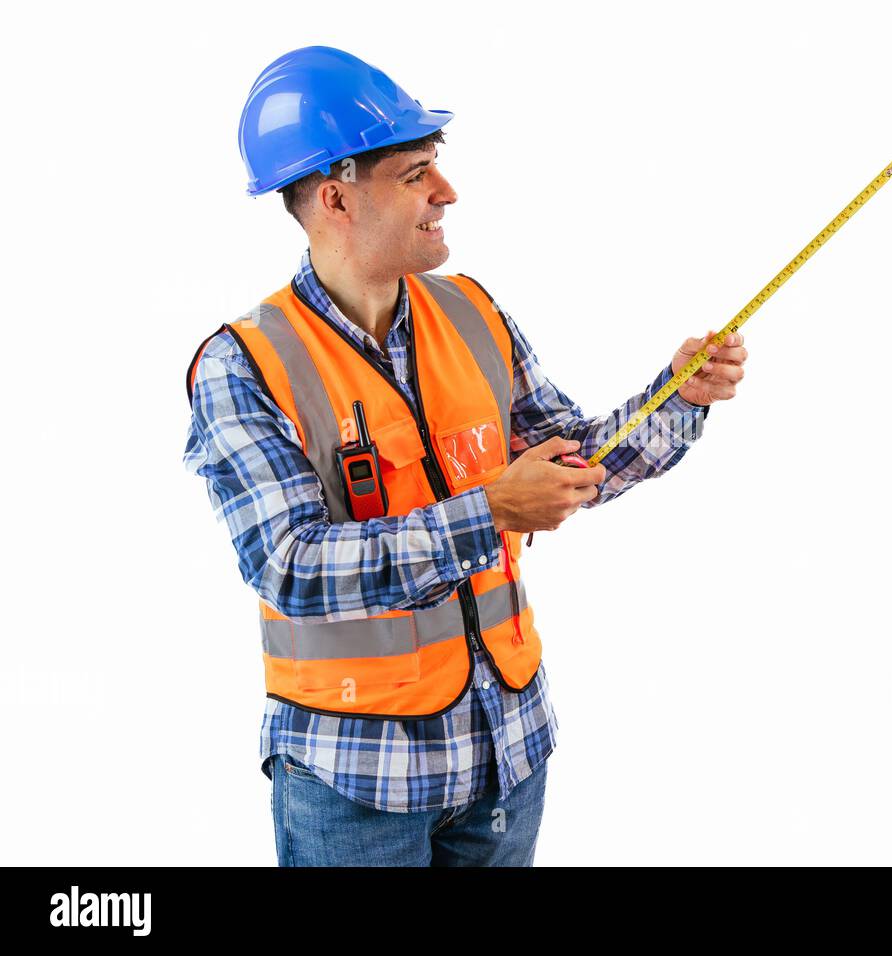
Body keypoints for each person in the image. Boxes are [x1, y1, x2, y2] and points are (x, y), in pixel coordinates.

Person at [183, 46, 748, 867]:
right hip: (356, 787)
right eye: (416, 173)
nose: (446, 192)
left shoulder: (474, 312)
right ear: (336, 196)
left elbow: (572, 461)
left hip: (506, 758)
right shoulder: (244, 364)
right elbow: (292, 567)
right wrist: (491, 512)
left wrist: (679, 397)